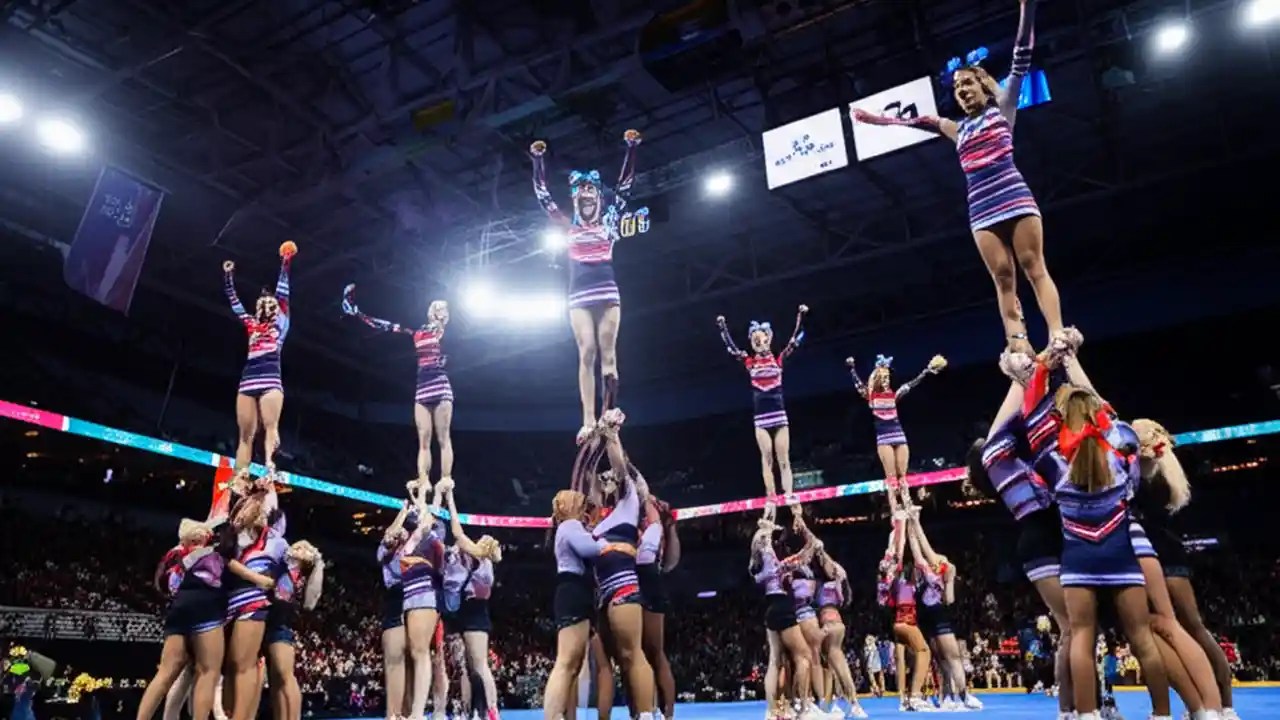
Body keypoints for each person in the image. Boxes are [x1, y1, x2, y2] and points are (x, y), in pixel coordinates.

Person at [852, 0, 1066, 357]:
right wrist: (878, 120)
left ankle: (1057, 333)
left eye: (967, 83)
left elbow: (1022, 51)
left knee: (1033, 266)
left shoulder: (1005, 106)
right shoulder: (958, 128)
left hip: (1013, 196)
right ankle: (1019, 345)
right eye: (956, 88)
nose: (962, 90)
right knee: (1002, 278)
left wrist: (1027, 9)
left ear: (984, 86)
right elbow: (920, 121)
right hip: (981, 207)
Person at [1051, 385, 1171, 720]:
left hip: (1077, 559)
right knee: (1142, 640)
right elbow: (1133, 479)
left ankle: (1087, 714)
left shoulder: (1054, 459)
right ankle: (1162, 714)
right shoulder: (1122, 454)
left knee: (1082, 640)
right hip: (1120, 555)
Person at [529, 131, 642, 443]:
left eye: (592, 190)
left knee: (608, 353)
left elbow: (626, 187)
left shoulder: (609, 220)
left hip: (607, 292)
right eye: (582, 192)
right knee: (586, 351)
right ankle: (588, 419)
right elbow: (542, 195)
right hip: (578, 295)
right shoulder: (568, 225)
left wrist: (631, 150)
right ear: (576, 199)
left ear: (599, 198)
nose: (587, 195)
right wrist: (538, 161)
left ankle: (609, 413)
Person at [1132, 420, 1239, 720]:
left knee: (1178, 628)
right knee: (1192, 628)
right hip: (1170, 555)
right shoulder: (1168, 474)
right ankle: (1222, 705)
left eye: (1135, 428)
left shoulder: (1149, 472)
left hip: (1158, 557)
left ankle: (1216, 705)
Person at [342, 286, 454, 488]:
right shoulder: (418, 332)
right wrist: (358, 314)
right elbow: (387, 326)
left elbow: (447, 331)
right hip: (422, 386)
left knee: (443, 436)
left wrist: (443, 316)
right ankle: (424, 478)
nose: (437, 311)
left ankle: (446, 477)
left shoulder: (444, 332)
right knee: (424, 439)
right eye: (435, 307)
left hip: (440, 384)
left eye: (441, 309)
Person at [587, 413, 657, 720]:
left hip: (624, 588)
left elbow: (619, 465)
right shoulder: (602, 520)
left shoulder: (629, 502)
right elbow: (589, 482)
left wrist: (610, 436)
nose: (604, 480)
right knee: (615, 662)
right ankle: (633, 712)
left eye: (608, 478)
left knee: (633, 655)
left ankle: (645, 715)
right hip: (603, 596)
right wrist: (591, 445)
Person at [136, 517, 236, 720]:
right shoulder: (207, 552)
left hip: (178, 609)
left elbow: (162, 584)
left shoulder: (172, 555)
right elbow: (228, 546)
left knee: (166, 674)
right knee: (208, 672)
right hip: (204, 607)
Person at [716, 307, 808, 519]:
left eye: (762, 338)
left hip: (779, 416)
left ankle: (790, 495)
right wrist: (723, 328)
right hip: (762, 419)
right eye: (755, 339)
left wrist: (801, 317)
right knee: (767, 459)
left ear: (768, 339)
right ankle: (771, 497)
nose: (759, 342)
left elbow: (796, 339)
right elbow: (731, 347)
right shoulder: (750, 362)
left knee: (783, 459)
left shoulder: (779, 359)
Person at [222, 242, 295, 472]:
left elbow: (283, 292)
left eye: (270, 304)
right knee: (245, 436)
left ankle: (269, 469)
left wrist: (285, 263)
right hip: (248, 381)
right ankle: (239, 478)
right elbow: (234, 303)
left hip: (270, 381)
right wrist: (228, 276)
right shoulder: (251, 324)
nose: (266, 306)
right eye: (262, 303)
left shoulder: (281, 325)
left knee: (271, 428)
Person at [848, 353, 946, 512]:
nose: (887, 380)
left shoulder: (893, 396)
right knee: (891, 477)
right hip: (884, 438)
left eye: (888, 378)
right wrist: (852, 370)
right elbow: (859, 386)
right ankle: (894, 506)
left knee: (903, 477)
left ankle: (907, 503)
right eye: (884, 378)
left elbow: (910, 385)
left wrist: (926, 371)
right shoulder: (872, 397)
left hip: (899, 435)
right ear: (878, 379)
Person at [905, 507, 981, 710]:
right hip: (940, 614)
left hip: (925, 615)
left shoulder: (924, 568)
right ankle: (964, 697)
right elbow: (949, 599)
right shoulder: (944, 569)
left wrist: (912, 524)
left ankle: (947, 696)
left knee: (942, 661)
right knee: (954, 658)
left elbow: (918, 547)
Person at [440, 480, 504, 720]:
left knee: (478, 665)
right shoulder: (481, 562)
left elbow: (457, 531)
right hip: (470, 609)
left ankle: (491, 710)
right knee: (468, 667)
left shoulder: (479, 560)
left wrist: (450, 499)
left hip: (473, 610)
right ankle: (473, 711)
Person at [541, 489, 607, 720]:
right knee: (567, 661)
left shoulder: (566, 528)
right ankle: (552, 716)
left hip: (573, 591)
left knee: (573, 663)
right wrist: (605, 542)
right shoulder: (570, 526)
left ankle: (564, 715)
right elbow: (592, 549)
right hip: (574, 592)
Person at [749, 516, 821, 720]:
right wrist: (811, 545)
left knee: (775, 661)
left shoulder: (759, 565)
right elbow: (799, 559)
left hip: (771, 607)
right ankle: (804, 707)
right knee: (804, 656)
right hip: (782, 607)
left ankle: (772, 711)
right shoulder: (772, 560)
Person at [401, 481, 448, 720]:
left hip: (424, 596)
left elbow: (427, 514)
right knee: (415, 652)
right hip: (411, 597)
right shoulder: (412, 540)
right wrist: (415, 493)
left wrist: (435, 493)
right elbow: (421, 513)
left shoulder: (429, 538)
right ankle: (418, 711)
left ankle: (419, 713)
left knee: (420, 652)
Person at [264, 540, 324, 720]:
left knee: (285, 675)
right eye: (297, 545)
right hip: (265, 618)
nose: (297, 549)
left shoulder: (303, 576)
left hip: (282, 623)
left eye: (303, 548)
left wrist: (318, 562)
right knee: (274, 680)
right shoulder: (281, 565)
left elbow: (310, 603)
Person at [636, 494, 679, 720]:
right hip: (648, 582)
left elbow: (670, 562)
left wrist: (646, 498)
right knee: (646, 654)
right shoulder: (653, 530)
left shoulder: (654, 530)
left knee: (652, 653)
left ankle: (663, 713)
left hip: (647, 582)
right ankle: (652, 710)